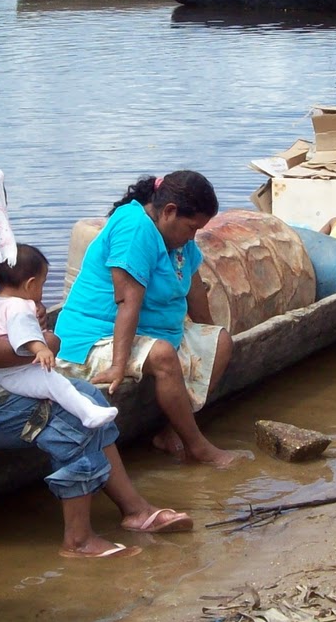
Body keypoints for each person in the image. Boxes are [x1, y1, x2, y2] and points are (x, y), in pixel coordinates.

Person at [0, 163, 193, 559]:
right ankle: (78, 541)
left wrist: (26, 324)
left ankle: (135, 510)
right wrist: (42, 341)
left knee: (89, 400)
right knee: (63, 418)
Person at [56, 172, 242, 468]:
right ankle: (197, 448)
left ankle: (171, 433)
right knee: (163, 356)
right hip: (95, 338)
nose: (193, 236)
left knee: (219, 341)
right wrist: (118, 365)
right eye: (191, 227)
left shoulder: (179, 241)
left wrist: (209, 333)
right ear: (169, 212)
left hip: (151, 333)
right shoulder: (134, 228)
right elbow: (128, 301)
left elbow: (194, 290)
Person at [0, 244, 119, 429]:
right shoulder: (19, 307)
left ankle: (85, 409)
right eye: (42, 285)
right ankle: (88, 414)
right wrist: (41, 349)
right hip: (15, 371)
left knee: (55, 382)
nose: (41, 291)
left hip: (4, 370)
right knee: (56, 383)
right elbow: (23, 332)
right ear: (30, 284)